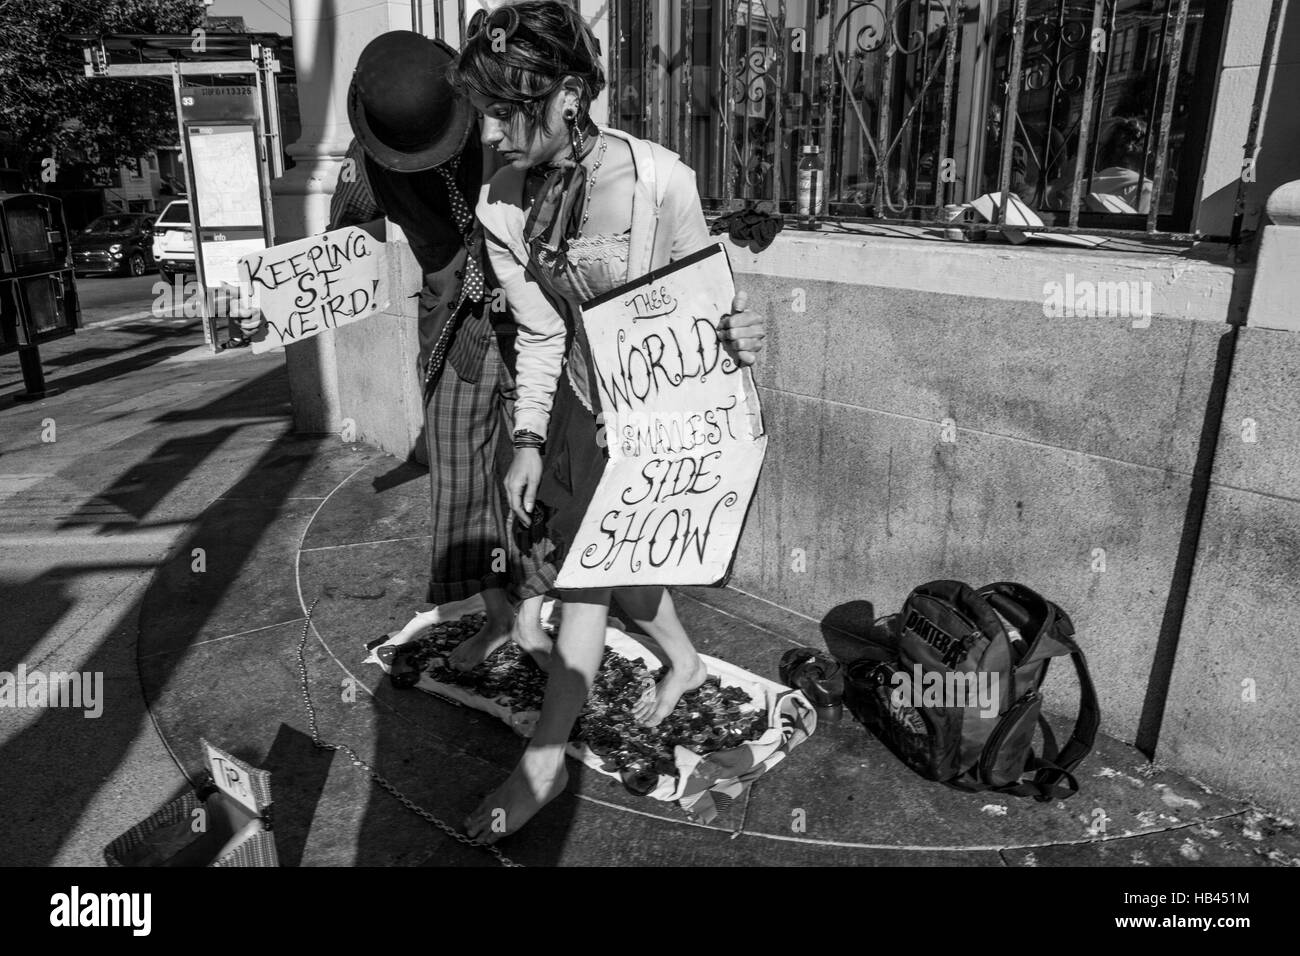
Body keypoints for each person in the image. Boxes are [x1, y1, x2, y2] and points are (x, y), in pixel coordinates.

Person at [451, 0, 768, 842]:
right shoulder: (502, 202)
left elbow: (713, 307)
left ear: (564, 97)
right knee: (612, 566)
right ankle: (687, 659)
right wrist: (524, 437)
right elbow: (543, 328)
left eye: (505, 113)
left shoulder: (660, 181)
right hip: (576, 411)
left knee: (586, 580)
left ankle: (543, 763)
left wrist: (747, 328)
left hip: (658, 419)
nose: (494, 134)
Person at [291, 31, 553, 666]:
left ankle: (534, 609)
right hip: (451, 330)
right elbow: (338, 246)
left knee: (538, 474)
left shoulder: (501, 126)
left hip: (531, 320)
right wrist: (284, 301)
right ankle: (493, 613)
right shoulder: (370, 160)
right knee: (461, 477)